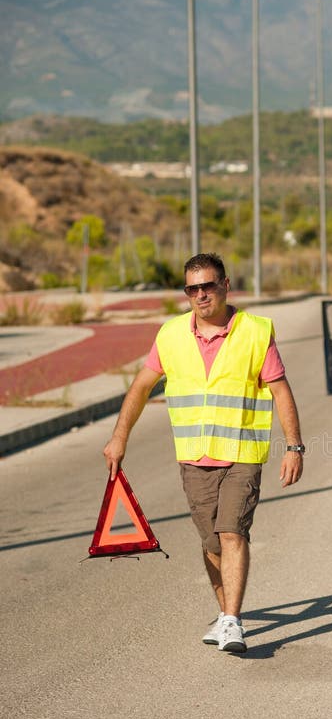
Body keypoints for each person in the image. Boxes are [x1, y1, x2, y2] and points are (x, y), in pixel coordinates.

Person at [103, 252, 304, 654]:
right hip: (194, 458)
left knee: (232, 532)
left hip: (242, 455)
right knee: (211, 541)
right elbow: (141, 387)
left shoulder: (254, 331)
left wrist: (294, 446)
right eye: (192, 288)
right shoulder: (171, 334)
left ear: (226, 286)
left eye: (208, 285)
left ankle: (232, 620)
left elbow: (281, 390)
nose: (200, 295)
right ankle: (224, 615)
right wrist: (119, 437)